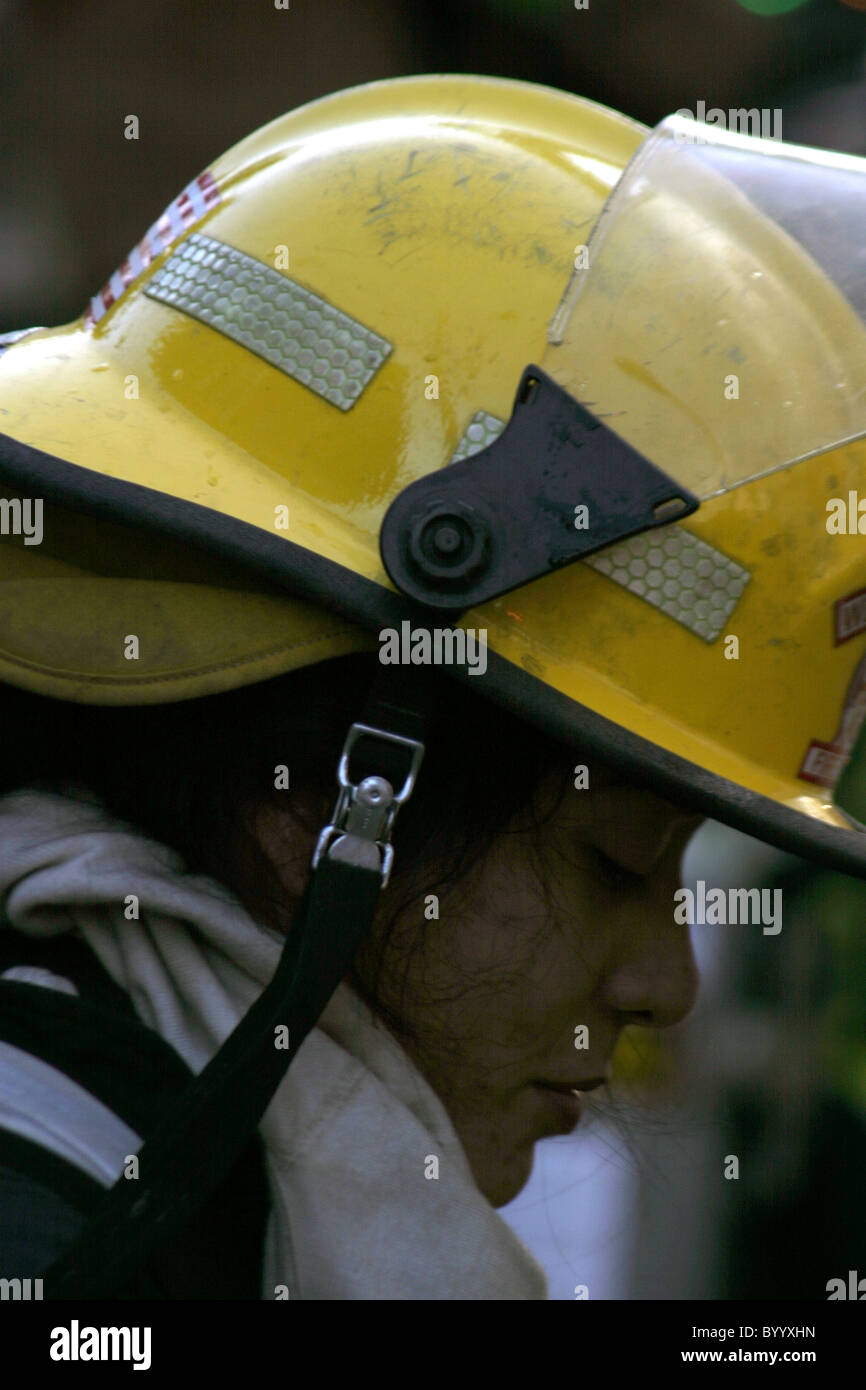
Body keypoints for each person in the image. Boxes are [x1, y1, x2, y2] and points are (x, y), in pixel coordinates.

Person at [1, 72, 866, 1301]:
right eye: (615, 864)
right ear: (320, 797)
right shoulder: (52, 1223)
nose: (666, 984)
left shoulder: (190, 1196)